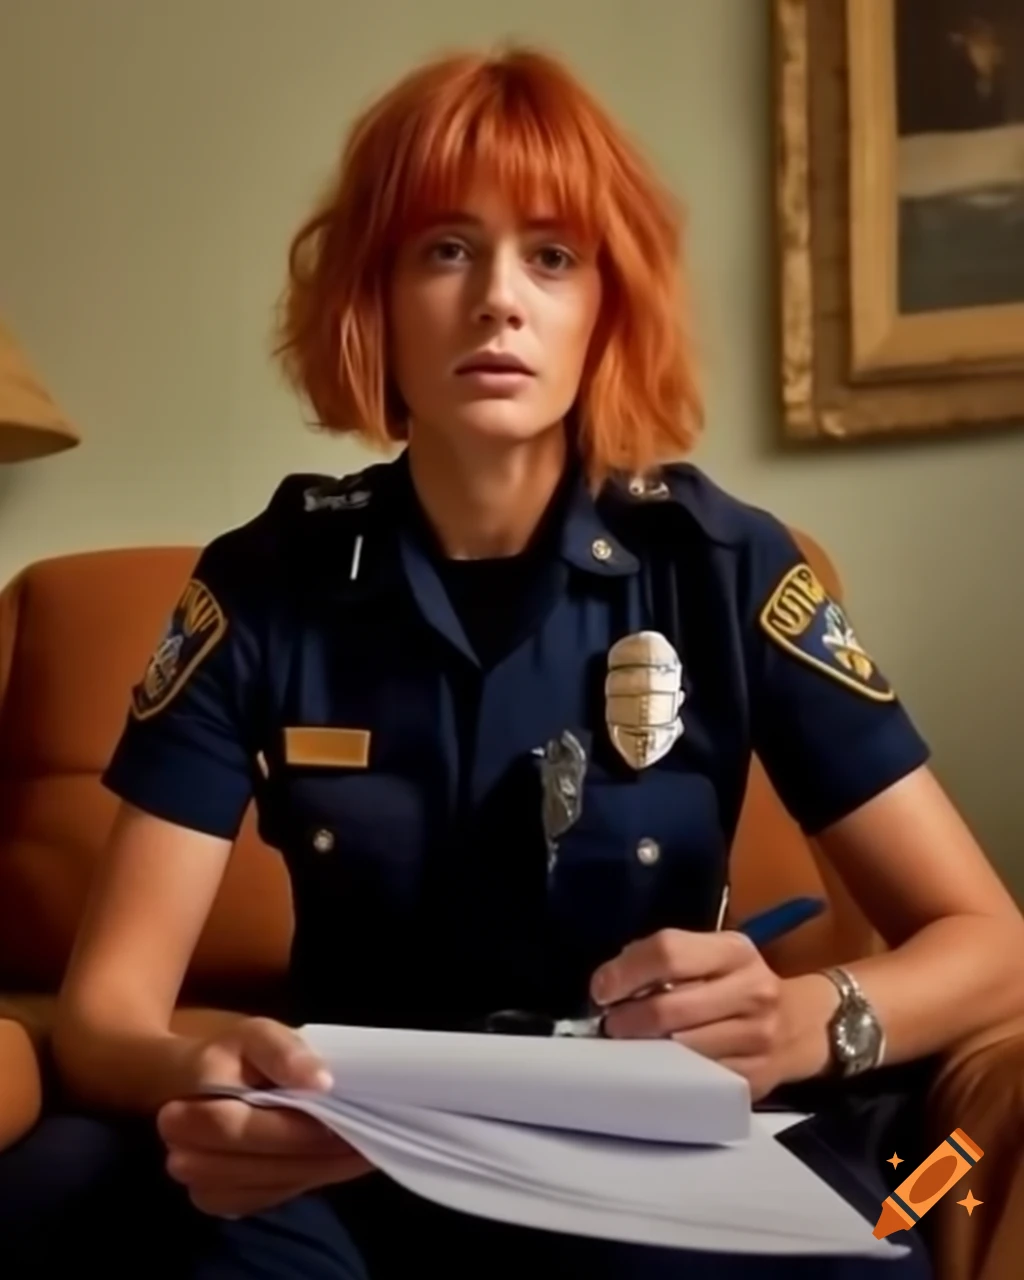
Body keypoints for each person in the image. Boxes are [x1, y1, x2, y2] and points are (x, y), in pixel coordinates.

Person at [51, 43, 1024, 1280]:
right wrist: (200, 1071)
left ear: (606, 305)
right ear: (374, 295)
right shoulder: (262, 585)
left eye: (552, 256)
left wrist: (805, 1017)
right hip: (351, 1161)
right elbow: (104, 1014)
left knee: (872, 1250)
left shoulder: (724, 564)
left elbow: (989, 937)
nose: (499, 300)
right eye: (445, 249)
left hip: (647, 1160)